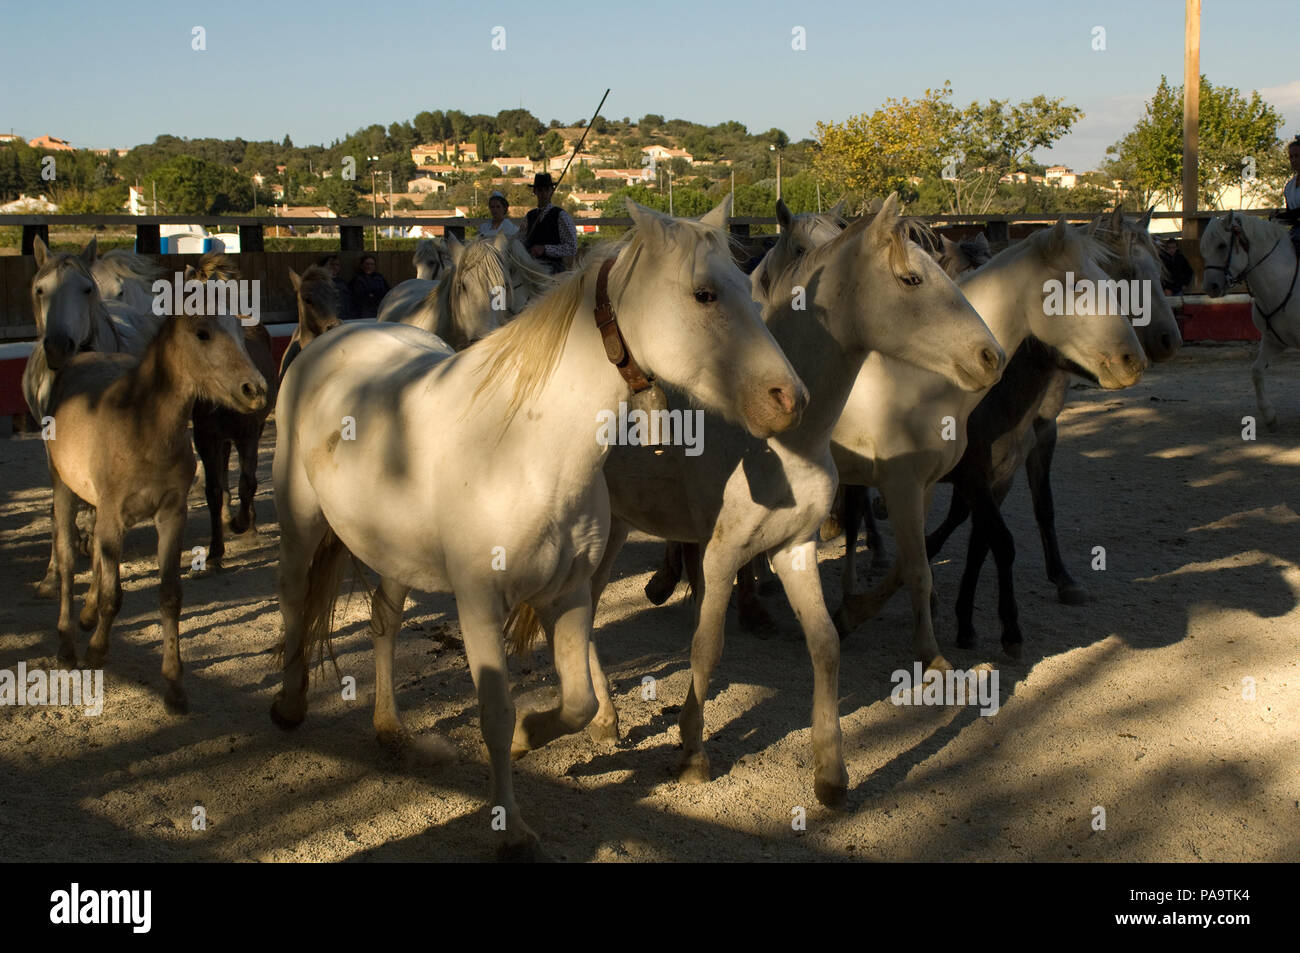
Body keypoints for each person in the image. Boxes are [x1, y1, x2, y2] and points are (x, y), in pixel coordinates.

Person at [523, 173, 577, 273]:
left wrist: (545, 249)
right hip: (530, 267)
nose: (543, 193)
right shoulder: (529, 216)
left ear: (551, 191)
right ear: (535, 191)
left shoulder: (561, 216)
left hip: (553, 269)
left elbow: (571, 248)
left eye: (546, 190)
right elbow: (521, 239)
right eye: (540, 190)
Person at [349, 254, 389, 320]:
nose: (369, 266)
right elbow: (360, 296)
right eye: (367, 264)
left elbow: (387, 292)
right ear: (362, 266)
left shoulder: (380, 278)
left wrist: (374, 295)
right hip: (364, 313)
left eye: (372, 264)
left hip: (380, 310)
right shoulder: (357, 280)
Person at [1281, 135, 1300, 258]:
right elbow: (1291, 215)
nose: (1293, 160)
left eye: (1297, 156)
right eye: (1291, 157)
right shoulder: (1289, 186)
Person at [318, 254, 352, 319]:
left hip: (344, 319)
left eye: (337, 265)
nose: (335, 267)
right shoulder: (318, 283)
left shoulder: (342, 282)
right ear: (323, 266)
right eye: (331, 264)